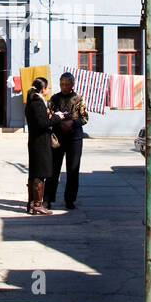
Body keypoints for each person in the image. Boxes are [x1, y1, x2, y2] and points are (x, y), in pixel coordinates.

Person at [45, 72, 88, 210]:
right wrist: (56, 121)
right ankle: (48, 198)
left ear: (72, 85)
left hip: (74, 138)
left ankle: (70, 199)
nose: (64, 87)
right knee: (53, 169)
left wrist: (73, 123)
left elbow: (85, 118)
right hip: (57, 138)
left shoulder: (79, 99)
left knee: (73, 170)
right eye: (62, 84)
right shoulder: (54, 99)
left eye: (67, 84)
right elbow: (48, 115)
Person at [24, 77, 55, 214]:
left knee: (34, 172)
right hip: (40, 142)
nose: (48, 90)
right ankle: (37, 203)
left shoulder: (33, 101)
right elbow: (42, 124)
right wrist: (56, 118)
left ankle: (31, 204)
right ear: (42, 89)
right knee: (40, 173)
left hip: (35, 141)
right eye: (47, 88)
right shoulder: (37, 102)